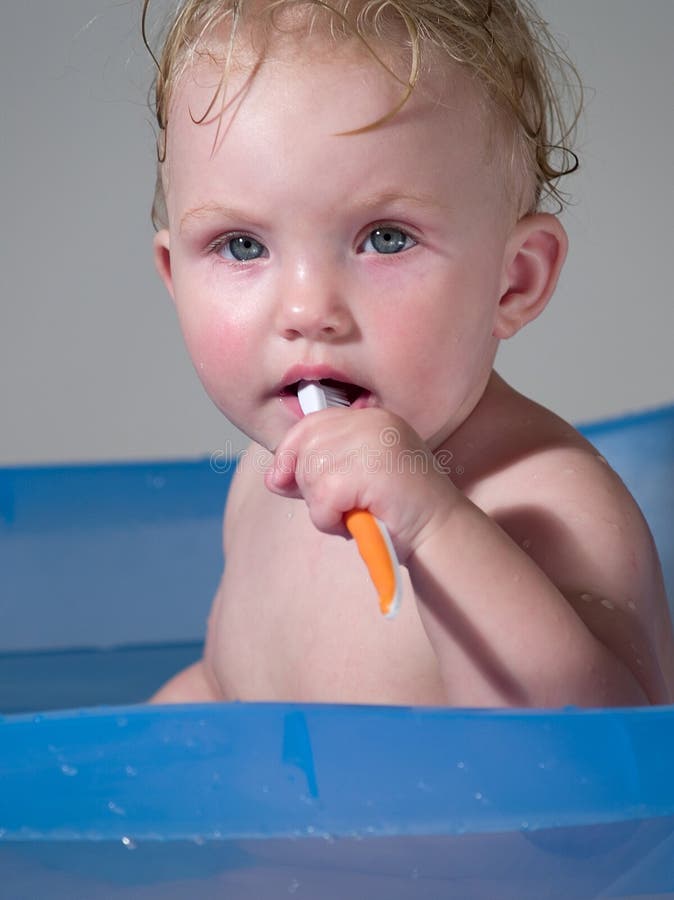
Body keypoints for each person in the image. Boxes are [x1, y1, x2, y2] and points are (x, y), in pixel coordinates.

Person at [143, 0, 674, 707]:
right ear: (175, 279)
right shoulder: (258, 484)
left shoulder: (554, 503)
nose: (307, 310)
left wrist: (435, 525)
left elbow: (601, 746)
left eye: (386, 239)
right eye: (242, 246)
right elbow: (223, 688)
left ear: (514, 280)